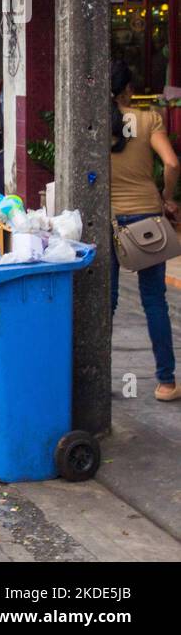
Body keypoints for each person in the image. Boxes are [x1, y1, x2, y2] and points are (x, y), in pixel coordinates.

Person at [110, 60, 179, 402]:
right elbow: (172, 163)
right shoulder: (148, 119)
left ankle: (94, 383)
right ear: (127, 90)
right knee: (154, 301)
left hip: (106, 220)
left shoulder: (94, 121)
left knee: (104, 303)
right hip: (146, 220)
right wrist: (167, 198)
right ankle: (166, 382)